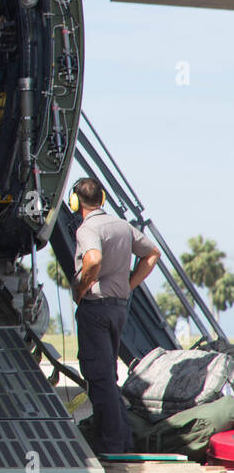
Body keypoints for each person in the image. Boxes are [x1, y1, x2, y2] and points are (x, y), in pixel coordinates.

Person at [71, 176, 161, 455]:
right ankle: (121, 440)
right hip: (119, 308)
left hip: (95, 307)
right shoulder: (123, 226)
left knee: (98, 378)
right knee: (108, 376)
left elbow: (94, 259)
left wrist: (81, 288)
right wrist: (129, 284)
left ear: (75, 202)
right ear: (102, 199)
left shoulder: (88, 229)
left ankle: (113, 446)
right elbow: (152, 254)